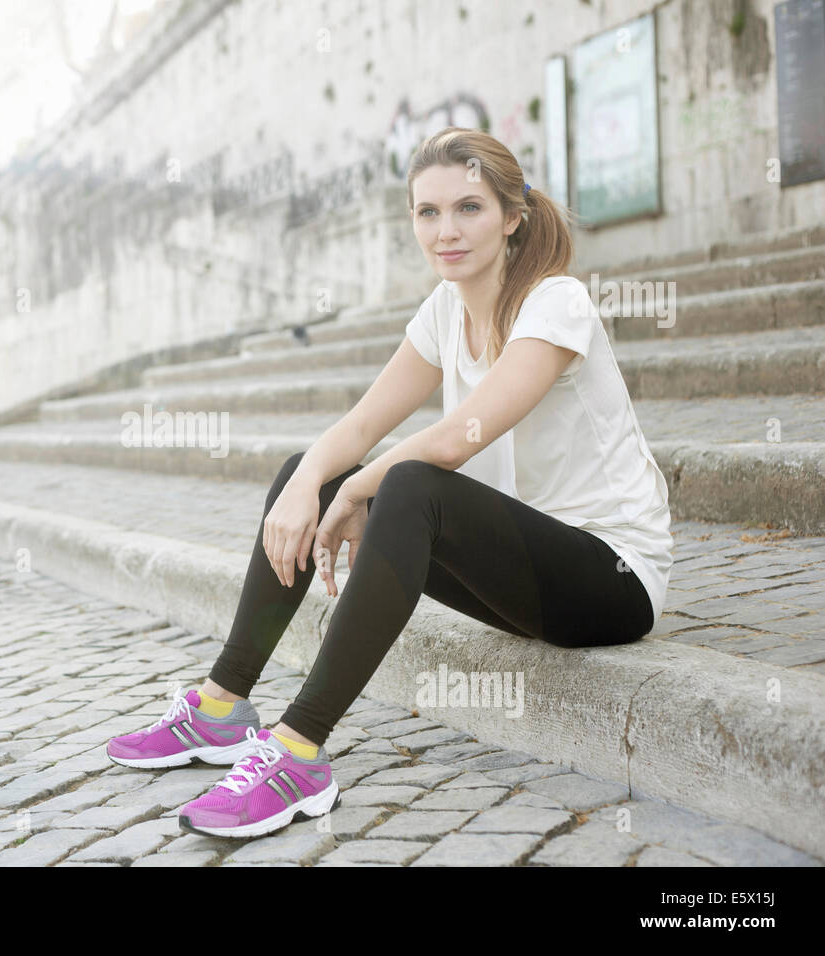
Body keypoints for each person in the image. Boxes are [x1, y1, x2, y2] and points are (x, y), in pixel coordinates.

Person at [107, 126, 674, 840]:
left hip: (612, 578)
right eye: (427, 212)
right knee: (311, 476)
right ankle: (221, 707)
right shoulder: (444, 311)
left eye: (468, 208)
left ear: (512, 215)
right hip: (522, 571)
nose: (446, 231)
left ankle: (299, 751)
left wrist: (355, 493)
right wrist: (311, 481)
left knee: (408, 484)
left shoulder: (553, 303)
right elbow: (358, 426)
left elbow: (463, 434)